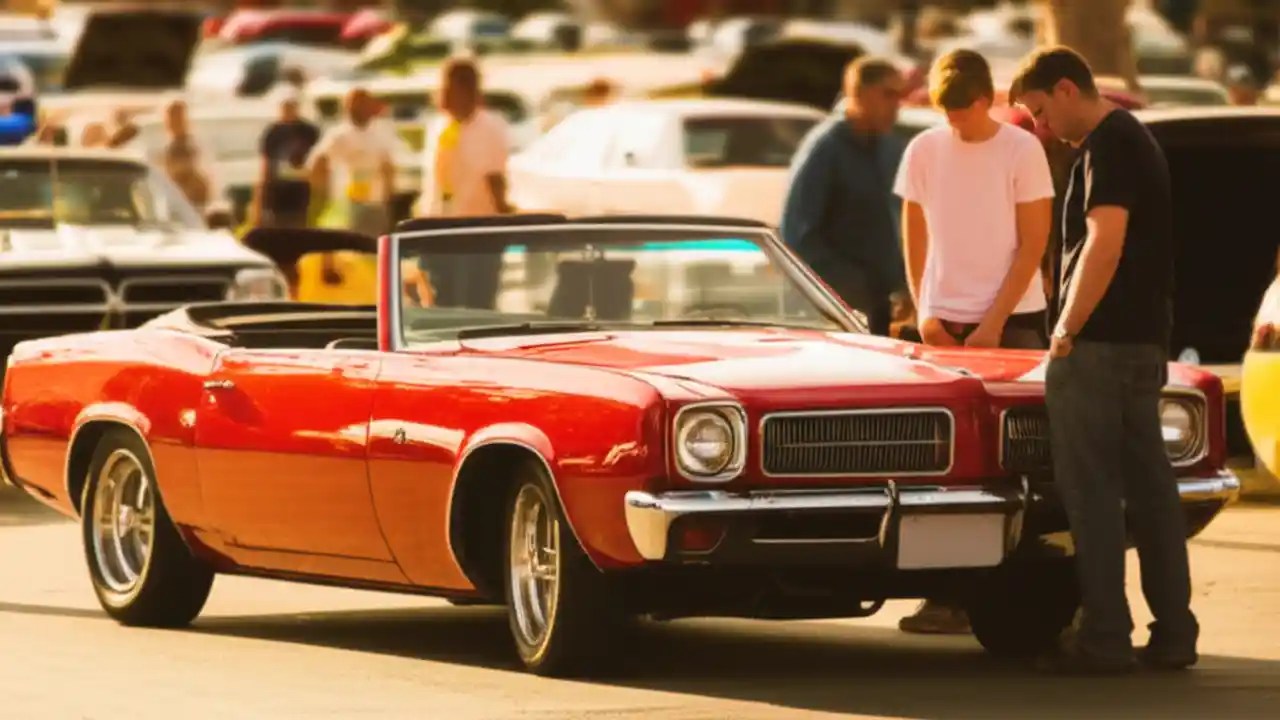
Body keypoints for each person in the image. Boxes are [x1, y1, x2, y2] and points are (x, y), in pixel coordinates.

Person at [1010, 46, 1196, 674]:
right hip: (1144, 343)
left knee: (1092, 495)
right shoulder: (1132, 141)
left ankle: (1106, 637)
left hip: (1098, 348)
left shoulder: (1109, 145)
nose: (1040, 127)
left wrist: (1064, 328)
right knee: (1151, 493)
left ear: (1066, 89)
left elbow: (1104, 240)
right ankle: (1174, 633)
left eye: (1039, 110)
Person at [892, 49, 1055, 635]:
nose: (955, 123)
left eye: (963, 112)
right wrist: (924, 309)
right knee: (941, 468)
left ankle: (1040, 593)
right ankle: (945, 596)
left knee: (1023, 464)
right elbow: (914, 228)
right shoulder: (925, 149)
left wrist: (994, 321)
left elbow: (1033, 243)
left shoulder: (1021, 149)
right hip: (943, 324)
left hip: (1010, 322)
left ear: (987, 101)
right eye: (947, 113)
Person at [779, 56, 907, 336]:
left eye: (900, 95)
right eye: (888, 94)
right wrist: (852, 288)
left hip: (884, 307)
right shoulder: (824, 150)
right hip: (837, 312)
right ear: (858, 94)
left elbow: (901, 221)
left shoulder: (890, 149)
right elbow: (798, 236)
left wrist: (904, 285)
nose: (897, 105)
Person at [411, 58, 513, 309]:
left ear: (466, 89)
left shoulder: (490, 128)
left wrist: (504, 219)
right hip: (437, 227)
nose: (440, 94)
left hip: (476, 231)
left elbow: (495, 178)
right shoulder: (439, 127)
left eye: (447, 88)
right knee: (438, 301)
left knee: (476, 303)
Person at [308, 86, 397, 237]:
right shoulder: (338, 135)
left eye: (365, 103)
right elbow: (317, 163)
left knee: (374, 248)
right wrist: (322, 192)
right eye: (356, 104)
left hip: (375, 203)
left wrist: (389, 195)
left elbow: (388, 166)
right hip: (348, 204)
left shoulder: (380, 133)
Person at [253, 91, 320, 229]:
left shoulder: (309, 131)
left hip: (301, 191)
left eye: (291, 107)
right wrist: (260, 197)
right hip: (278, 192)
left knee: (300, 227)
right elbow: (266, 164)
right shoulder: (273, 132)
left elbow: (318, 160)